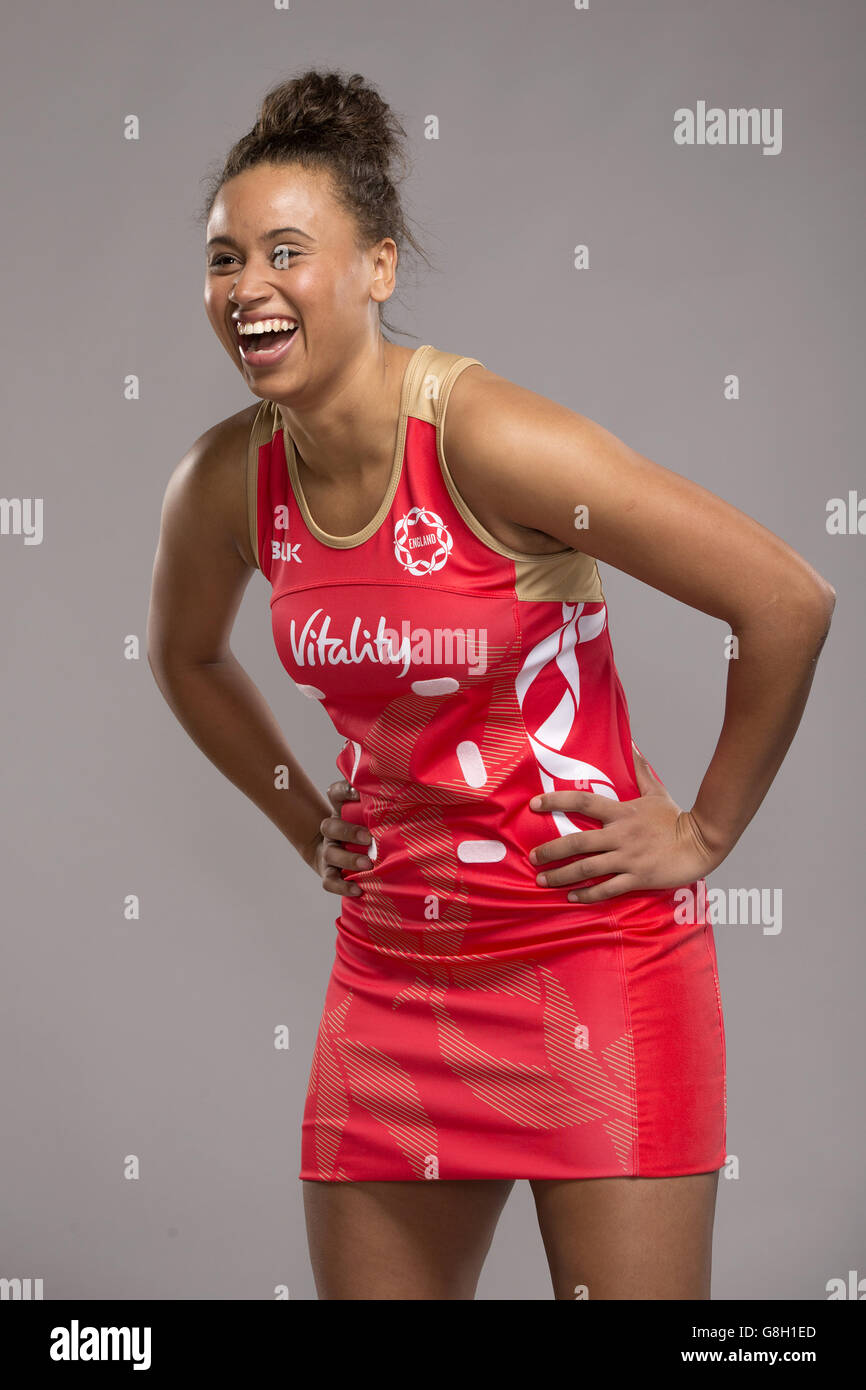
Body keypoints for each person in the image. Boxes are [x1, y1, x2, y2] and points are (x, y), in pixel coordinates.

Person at [147, 68, 835, 1300]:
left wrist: (707, 828)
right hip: (393, 976)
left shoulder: (485, 438)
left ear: (378, 267)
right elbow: (187, 657)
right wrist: (309, 821)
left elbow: (783, 599)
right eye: (224, 258)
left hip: (591, 958)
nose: (247, 287)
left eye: (286, 252)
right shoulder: (223, 485)